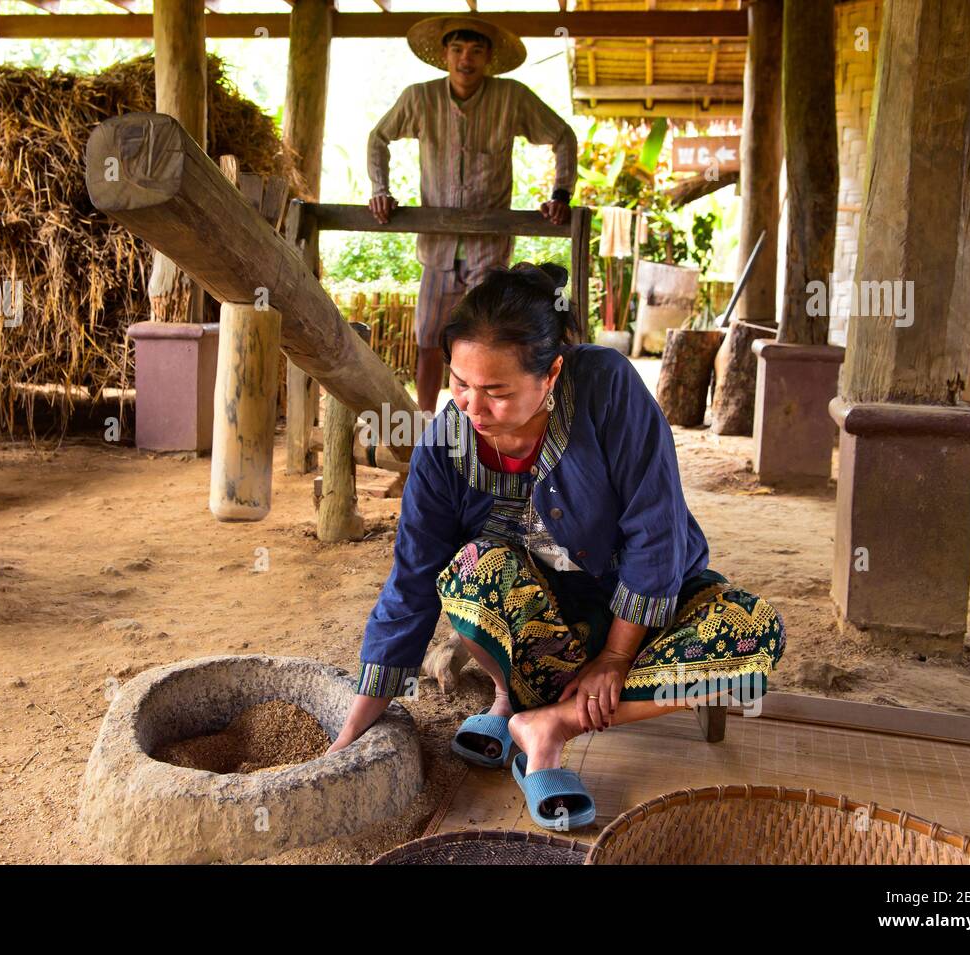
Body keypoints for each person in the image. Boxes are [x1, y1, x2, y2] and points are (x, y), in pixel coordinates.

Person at [326, 263, 786, 831]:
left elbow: (657, 531)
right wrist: (356, 726)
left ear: (551, 375)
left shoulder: (607, 388)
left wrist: (616, 658)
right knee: (473, 573)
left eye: (496, 391)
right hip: (536, 631)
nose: (471, 406)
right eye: (460, 383)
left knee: (755, 632)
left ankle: (548, 723)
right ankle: (508, 695)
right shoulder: (446, 443)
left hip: (635, 615)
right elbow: (412, 581)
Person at [367, 16, 578, 414]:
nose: (467, 59)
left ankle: (482, 427)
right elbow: (378, 138)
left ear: (489, 58)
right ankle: (425, 429)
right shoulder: (419, 98)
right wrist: (381, 190)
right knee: (429, 341)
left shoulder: (511, 98)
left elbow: (562, 136)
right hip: (437, 250)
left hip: (489, 250)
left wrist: (560, 195)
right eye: (458, 50)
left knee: (491, 342)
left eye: (477, 50)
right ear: (445, 55)